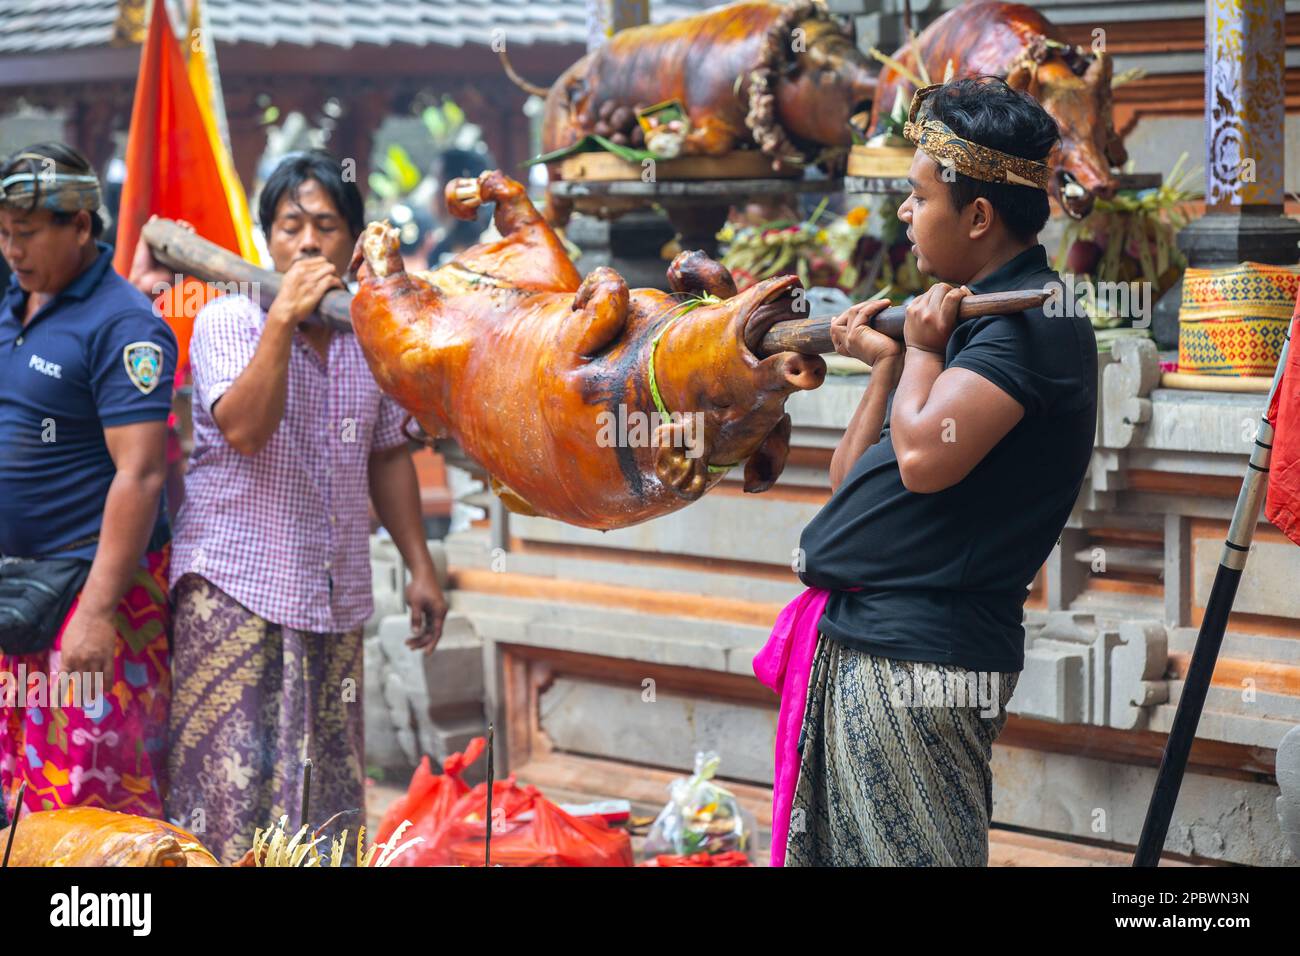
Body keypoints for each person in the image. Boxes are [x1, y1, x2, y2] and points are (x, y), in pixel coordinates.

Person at [787, 78, 1098, 866]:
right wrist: (892, 366)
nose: (903, 212)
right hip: (873, 650)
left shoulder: (1032, 322)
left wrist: (924, 349)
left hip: (926, 663)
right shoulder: (963, 315)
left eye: (918, 195)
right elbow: (852, 482)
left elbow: (923, 460)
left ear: (979, 216)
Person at [143, 150, 448, 862]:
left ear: (353, 241)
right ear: (267, 240)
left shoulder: (369, 339)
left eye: (325, 225)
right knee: (229, 795)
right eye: (289, 227)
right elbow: (246, 430)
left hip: (332, 593)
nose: (307, 242)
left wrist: (419, 566)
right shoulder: (227, 321)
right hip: (235, 592)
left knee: (323, 800)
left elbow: (387, 454)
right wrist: (281, 320)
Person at [0, 143, 178, 817]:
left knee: (92, 790)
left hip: (94, 593)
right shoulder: (13, 303)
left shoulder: (124, 324)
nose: (12, 250)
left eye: (27, 233)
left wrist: (98, 614)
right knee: (20, 785)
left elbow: (141, 470)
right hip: (17, 591)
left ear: (80, 226)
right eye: (3, 234)